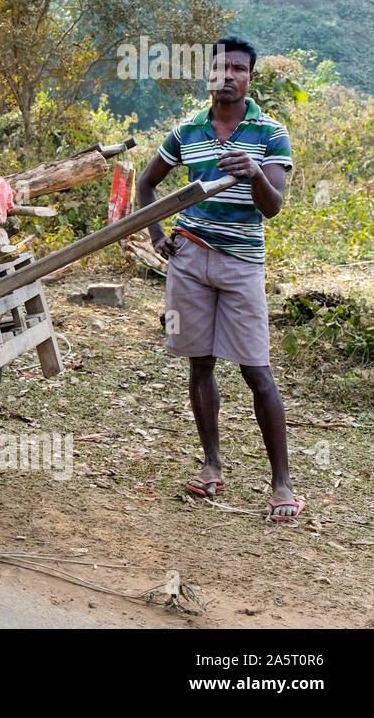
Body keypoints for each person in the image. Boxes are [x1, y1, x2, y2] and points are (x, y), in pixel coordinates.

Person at [136, 36, 300, 520]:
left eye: (238, 69)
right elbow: (148, 184)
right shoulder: (187, 130)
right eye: (219, 68)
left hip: (241, 266)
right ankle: (212, 467)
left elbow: (272, 208)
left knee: (256, 371)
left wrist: (253, 173)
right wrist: (157, 234)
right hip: (188, 260)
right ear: (207, 76)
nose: (228, 76)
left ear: (250, 78)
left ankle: (282, 483)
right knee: (199, 364)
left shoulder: (270, 132)